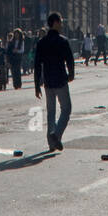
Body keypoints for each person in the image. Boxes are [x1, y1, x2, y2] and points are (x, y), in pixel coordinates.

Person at [35, 9, 75, 152]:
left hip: (48, 81)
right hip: (60, 80)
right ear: (56, 23)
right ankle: (56, 136)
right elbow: (69, 60)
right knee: (66, 109)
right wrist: (71, 74)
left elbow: (37, 64)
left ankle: (51, 144)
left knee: (50, 112)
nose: (62, 23)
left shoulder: (42, 42)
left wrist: (36, 85)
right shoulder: (62, 41)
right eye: (61, 21)